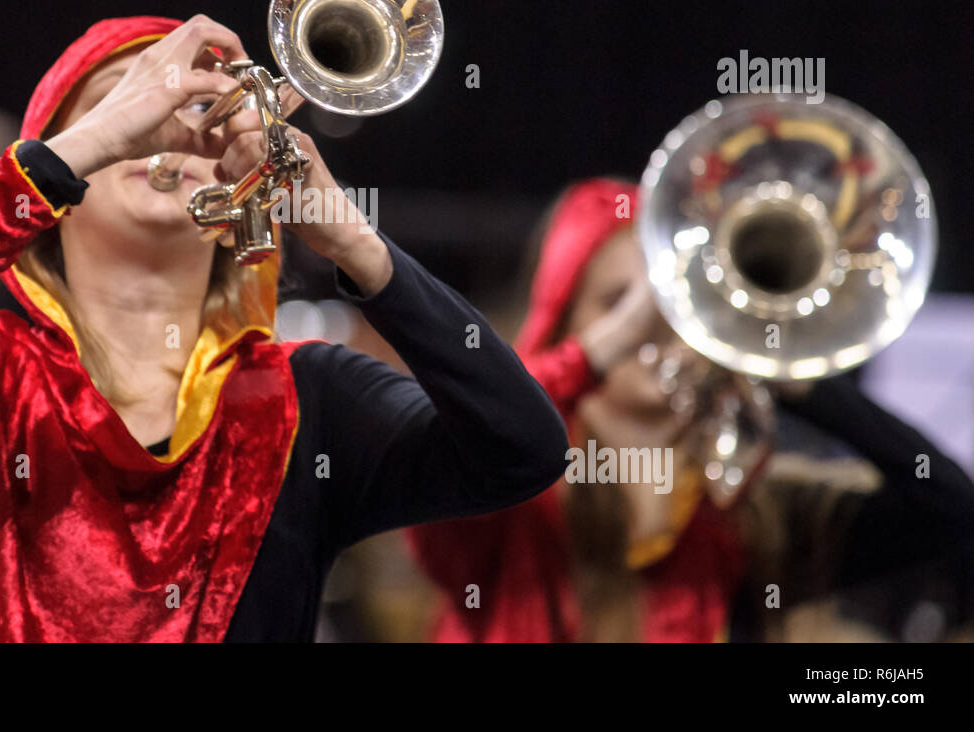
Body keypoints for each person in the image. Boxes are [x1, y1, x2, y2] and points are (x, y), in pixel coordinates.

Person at [0, 14, 568, 642]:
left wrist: (353, 240)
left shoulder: (308, 397)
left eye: (202, 111)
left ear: (237, 211)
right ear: (57, 180)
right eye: (129, 102)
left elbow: (521, 450)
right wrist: (90, 142)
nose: (174, 130)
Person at [409, 177, 974, 642]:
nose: (653, 322)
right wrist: (610, 342)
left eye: (678, 306)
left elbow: (947, 506)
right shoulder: (509, 496)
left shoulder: (750, 514)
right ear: (564, 327)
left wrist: (780, 365)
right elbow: (459, 427)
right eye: (615, 300)